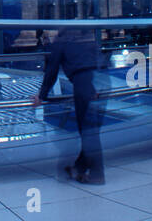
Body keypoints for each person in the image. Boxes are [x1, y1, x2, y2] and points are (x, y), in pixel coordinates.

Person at [30, 32, 104, 183]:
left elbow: (52, 71)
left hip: (83, 85)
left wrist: (41, 96)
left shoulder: (59, 44)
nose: (46, 40)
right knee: (90, 130)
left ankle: (97, 175)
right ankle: (80, 168)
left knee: (89, 132)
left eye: (47, 37)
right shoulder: (80, 41)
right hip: (98, 82)